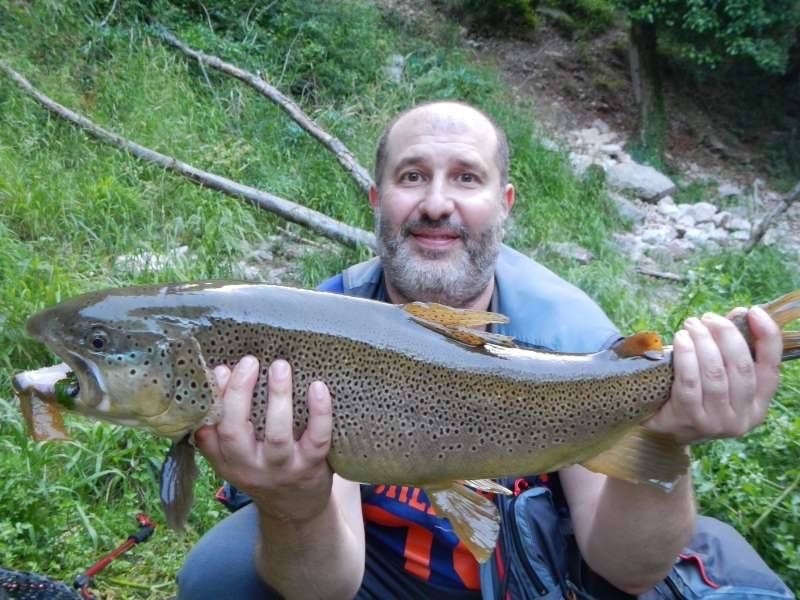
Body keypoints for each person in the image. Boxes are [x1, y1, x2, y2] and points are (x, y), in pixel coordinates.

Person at [177, 101, 793, 599]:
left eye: (466, 178)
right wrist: (293, 507)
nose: (437, 202)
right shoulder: (314, 333)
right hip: (382, 570)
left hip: (542, 568)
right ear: (376, 201)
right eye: (412, 176)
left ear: (504, 204)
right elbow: (327, 587)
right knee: (222, 578)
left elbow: (626, 569)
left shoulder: (569, 333)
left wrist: (668, 438)